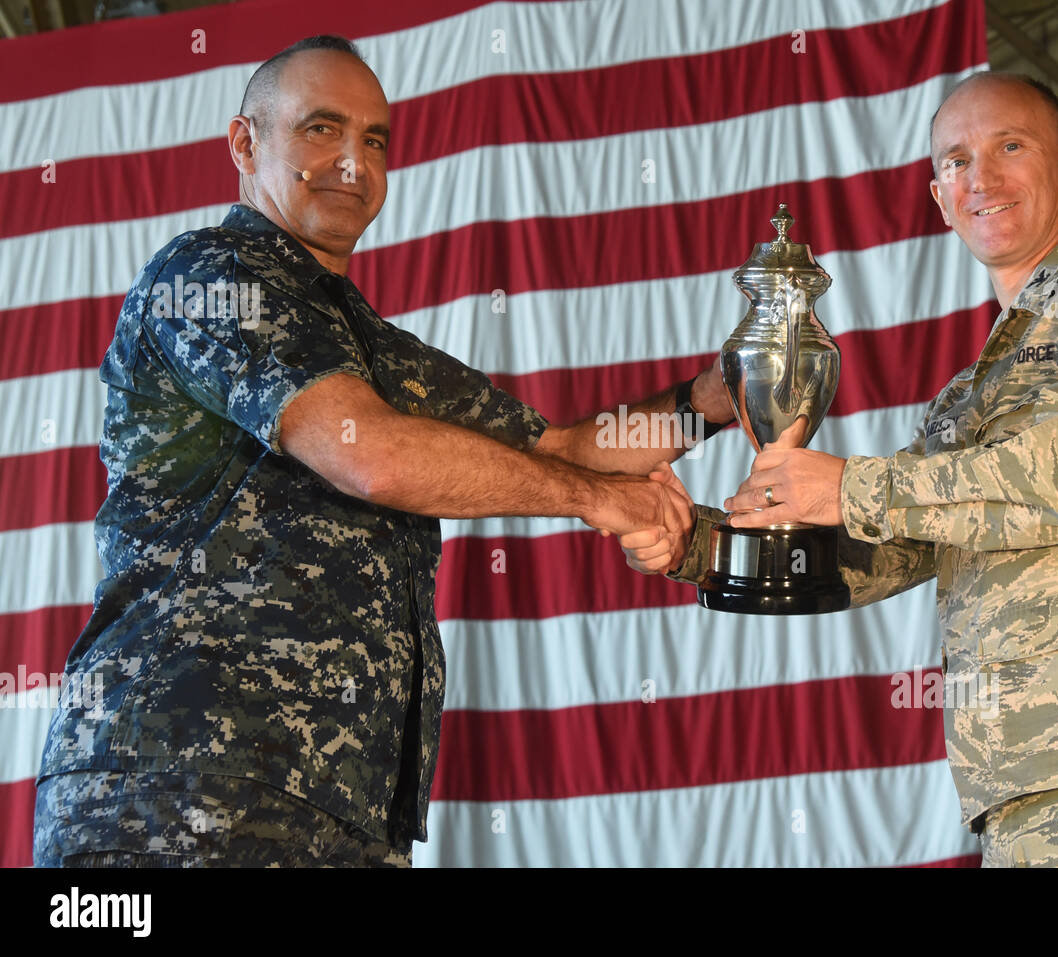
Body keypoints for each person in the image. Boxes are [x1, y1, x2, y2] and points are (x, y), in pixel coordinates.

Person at [32, 35, 734, 868]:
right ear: (244, 144)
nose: (353, 162)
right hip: (176, 791)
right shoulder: (205, 277)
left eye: (374, 141)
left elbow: (570, 447)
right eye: (322, 129)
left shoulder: (373, 347)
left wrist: (716, 397)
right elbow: (371, 456)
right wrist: (598, 502)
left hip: (340, 812)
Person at [623, 71, 1058, 866]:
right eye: (957, 161)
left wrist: (849, 485)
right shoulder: (966, 396)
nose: (982, 177)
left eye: (1011, 146)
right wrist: (697, 545)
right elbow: (892, 547)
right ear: (939, 198)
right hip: (1021, 799)